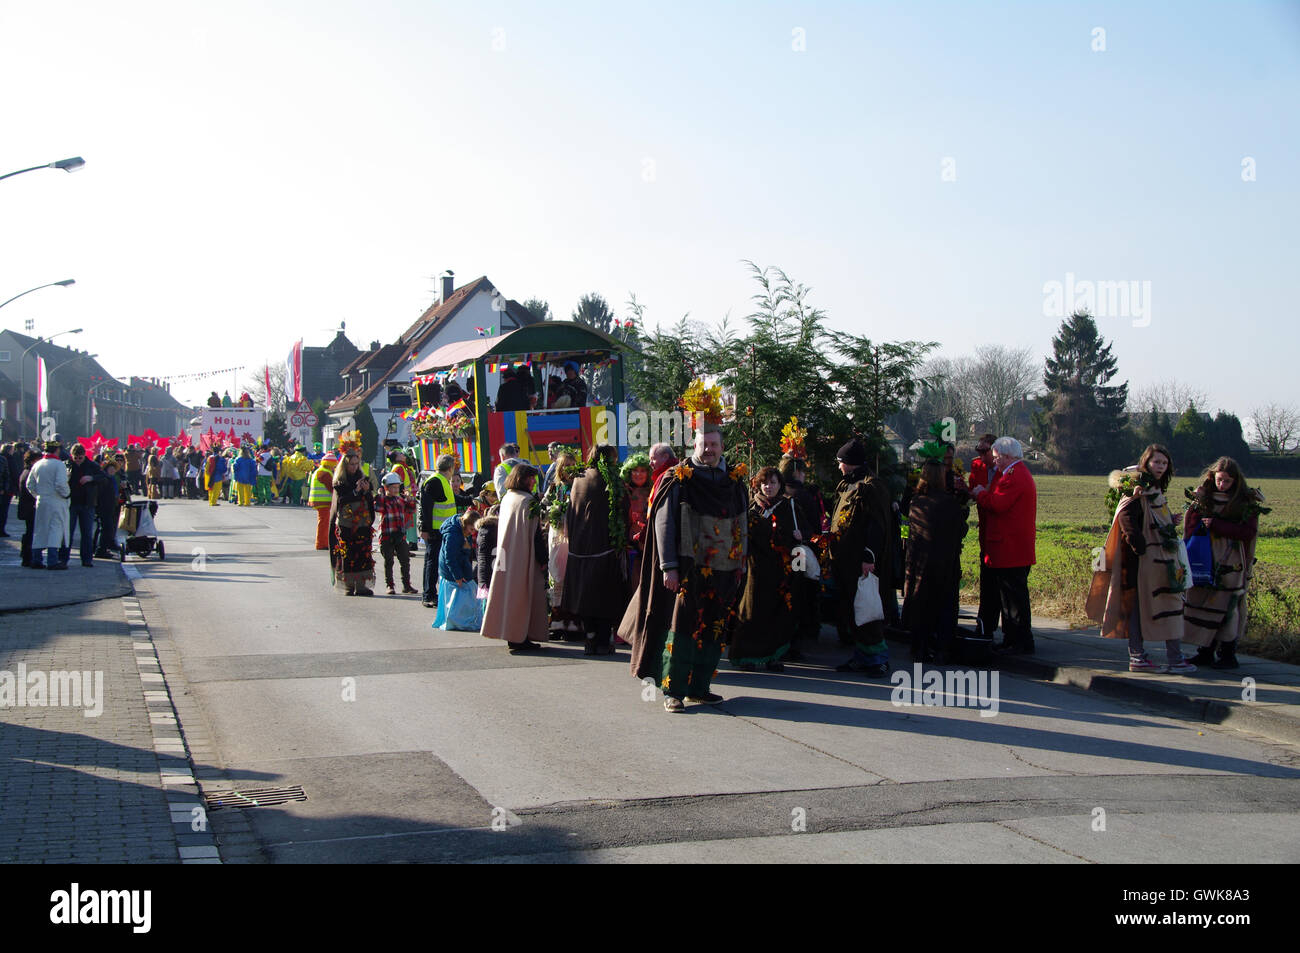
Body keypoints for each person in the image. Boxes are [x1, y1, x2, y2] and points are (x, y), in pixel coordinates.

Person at [619, 425, 749, 712]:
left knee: (713, 630)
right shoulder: (677, 479)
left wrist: (741, 562)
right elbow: (663, 525)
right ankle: (673, 691)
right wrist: (669, 567)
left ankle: (699, 688)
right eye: (704, 444)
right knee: (681, 629)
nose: (709, 450)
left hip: (724, 570)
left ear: (721, 446)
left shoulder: (735, 481)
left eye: (714, 444)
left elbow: (742, 522)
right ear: (695, 446)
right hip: (688, 571)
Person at [1087, 444, 1192, 673]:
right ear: (1147, 462)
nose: (1161, 467)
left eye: (1164, 463)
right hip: (1145, 562)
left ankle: (1150, 656)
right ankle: (1146, 657)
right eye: (1157, 462)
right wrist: (1141, 548)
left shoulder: (1153, 488)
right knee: (1147, 606)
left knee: (1156, 605)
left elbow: (1149, 518)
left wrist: (1168, 521)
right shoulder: (1138, 487)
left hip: (1159, 560)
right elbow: (1126, 517)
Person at [1182, 457, 1265, 670]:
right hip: (1204, 560)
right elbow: (1190, 530)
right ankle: (1204, 651)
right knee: (1202, 603)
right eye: (1219, 480)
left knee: (1228, 609)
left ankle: (1228, 654)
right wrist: (1196, 505)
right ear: (1212, 478)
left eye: (1227, 481)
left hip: (1231, 564)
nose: (1222, 485)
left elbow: (1248, 533)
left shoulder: (1245, 504)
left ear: (1236, 481)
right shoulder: (1203, 499)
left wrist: (1218, 525)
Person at [829, 438, 893, 675]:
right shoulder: (848, 485)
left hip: (862, 562)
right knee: (852, 611)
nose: (838, 467)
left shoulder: (871, 487)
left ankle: (878, 659)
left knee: (867, 612)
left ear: (850, 463)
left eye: (840, 463)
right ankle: (862, 656)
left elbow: (877, 526)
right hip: (845, 562)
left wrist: (869, 555)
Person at [971, 436, 1038, 655]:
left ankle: (1020, 641)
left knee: (1014, 599)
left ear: (1008, 457)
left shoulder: (1013, 476)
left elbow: (998, 504)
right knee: (1009, 598)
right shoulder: (1014, 473)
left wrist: (981, 493)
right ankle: (1013, 639)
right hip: (1012, 546)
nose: (995, 461)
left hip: (1011, 547)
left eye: (998, 458)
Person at [562, 445, 629, 655]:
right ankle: (602, 639)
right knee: (605, 596)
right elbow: (621, 510)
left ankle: (590, 637)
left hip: (579, 547)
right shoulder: (610, 479)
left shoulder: (579, 478)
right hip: (603, 547)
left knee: (585, 596)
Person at [730, 466, 798, 672]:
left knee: (775, 612)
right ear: (758, 485)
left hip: (778, 568)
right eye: (765, 483)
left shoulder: (788, 507)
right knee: (749, 609)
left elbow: (801, 533)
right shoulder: (751, 506)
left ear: (780, 485)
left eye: (773, 483)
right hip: (753, 567)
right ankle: (746, 655)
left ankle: (773, 657)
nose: (769, 487)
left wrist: (797, 536)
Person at [903, 459, 970, 664]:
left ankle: (920, 647)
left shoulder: (917, 502)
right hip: (946, 562)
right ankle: (942, 649)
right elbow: (961, 531)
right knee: (945, 607)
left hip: (921, 562)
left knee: (922, 605)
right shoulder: (950, 504)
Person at [481, 464, 549, 653]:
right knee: (523, 596)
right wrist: (544, 558)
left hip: (508, 556)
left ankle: (514, 635)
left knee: (510, 596)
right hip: (523, 557)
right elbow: (534, 534)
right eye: (531, 478)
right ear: (523, 478)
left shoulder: (508, 497)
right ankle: (521, 636)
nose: (534, 481)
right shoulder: (527, 501)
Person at [328, 449, 376, 596]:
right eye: (351, 464)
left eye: (356, 464)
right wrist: (355, 491)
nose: (354, 467)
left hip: (362, 521)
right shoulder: (340, 481)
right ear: (345, 465)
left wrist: (367, 491)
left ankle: (361, 585)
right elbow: (341, 500)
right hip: (346, 523)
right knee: (347, 553)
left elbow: (369, 499)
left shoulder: (363, 477)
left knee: (363, 552)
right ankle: (348, 585)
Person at [968, 434, 1001, 640]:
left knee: (1000, 585)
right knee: (986, 582)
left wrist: (985, 493)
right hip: (985, 530)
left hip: (999, 531)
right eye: (978, 450)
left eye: (984, 451)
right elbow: (974, 491)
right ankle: (985, 626)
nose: (980, 455)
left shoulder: (1004, 470)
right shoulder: (977, 466)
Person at [418, 453, 459, 609]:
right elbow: (425, 508)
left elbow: (451, 501)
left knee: (438, 562)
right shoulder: (435, 482)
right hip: (436, 530)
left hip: (442, 529)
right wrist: (425, 529)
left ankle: (434, 594)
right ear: (450, 468)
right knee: (432, 562)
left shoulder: (441, 481)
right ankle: (428, 595)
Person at [434, 509, 484, 630]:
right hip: (450, 570)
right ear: (465, 524)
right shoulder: (453, 534)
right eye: (471, 529)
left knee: (468, 593)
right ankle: (458, 621)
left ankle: (462, 619)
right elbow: (450, 557)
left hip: (459, 566)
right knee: (459, 599)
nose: (472, 533)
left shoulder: (463, 532)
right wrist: (457, 576)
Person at [26, 441, 71, 570]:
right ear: (57, 450)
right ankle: (52, 560)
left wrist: (38, 496)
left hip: (41, 500)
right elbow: (60, 484)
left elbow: (30, 485)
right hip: (56, 501)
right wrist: (67, 494)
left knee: (40, 529)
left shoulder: (37, 464)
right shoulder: (59, 465)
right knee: (55, 530)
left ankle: (36, 559)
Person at [375, 472, 418, 595]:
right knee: (389, 561)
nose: (395, 490)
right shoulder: (383, 500)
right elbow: (377, 507)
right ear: (386, 488)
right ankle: (390, 585)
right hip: (387, 535)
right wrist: (380, 495)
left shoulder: (400, 500)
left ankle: (407, 585)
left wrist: (410, 499)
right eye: (393, 487)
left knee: (405, 560)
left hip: (400, 535)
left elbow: (411, 509)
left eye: (397, 487)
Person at [64, 443, 102, 567]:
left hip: (87, 503)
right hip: (71, 503)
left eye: (80, 458)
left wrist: (91, 478)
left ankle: (87, 559)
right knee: (67, 532)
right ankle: (63, 558)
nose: (78, 460)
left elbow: (104, 477)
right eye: (75, 458)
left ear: (84, 455)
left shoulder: (92, 465)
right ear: (72, 456)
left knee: (86, 533)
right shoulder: (66, 465)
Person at [307, 451, 338, 550]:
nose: (334, 468)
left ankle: (323, 542)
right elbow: (331, 488)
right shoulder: (325, 473)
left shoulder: (320, 471)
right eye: (333, 465)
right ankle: (321, 543)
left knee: (324, 522)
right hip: (323, 502)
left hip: (320, 501)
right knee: (324, 523)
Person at [16, 449, 41, 566]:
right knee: (31, 532)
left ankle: (26, 555)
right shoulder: (30, 473)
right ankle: (27, 557)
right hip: (30, 507)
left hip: (26, 507)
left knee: (29, 532)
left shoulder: (25, 472)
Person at [95, 458, 122, 558]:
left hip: (110, 506)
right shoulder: (104, 479)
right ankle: (101, 550)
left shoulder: (111, 479)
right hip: (104, 507)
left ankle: (103, 548)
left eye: (113, 469)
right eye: (110, 468)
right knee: (106, 528)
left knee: (107, 529)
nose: (112, 470)